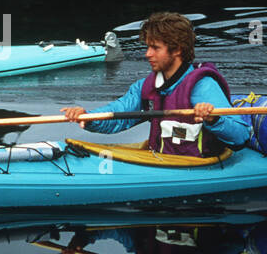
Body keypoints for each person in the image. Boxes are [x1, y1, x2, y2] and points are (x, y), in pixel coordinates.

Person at [61, 11, 249, 157]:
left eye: (155, 48)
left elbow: (240, 136)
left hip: (199, 165)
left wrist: (213, 119)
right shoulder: (146, 87)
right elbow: (118, 115)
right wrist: (87, 116)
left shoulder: (203, 87)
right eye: (148, 47)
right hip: (162, 159)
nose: (147, 54)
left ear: (177, 50)